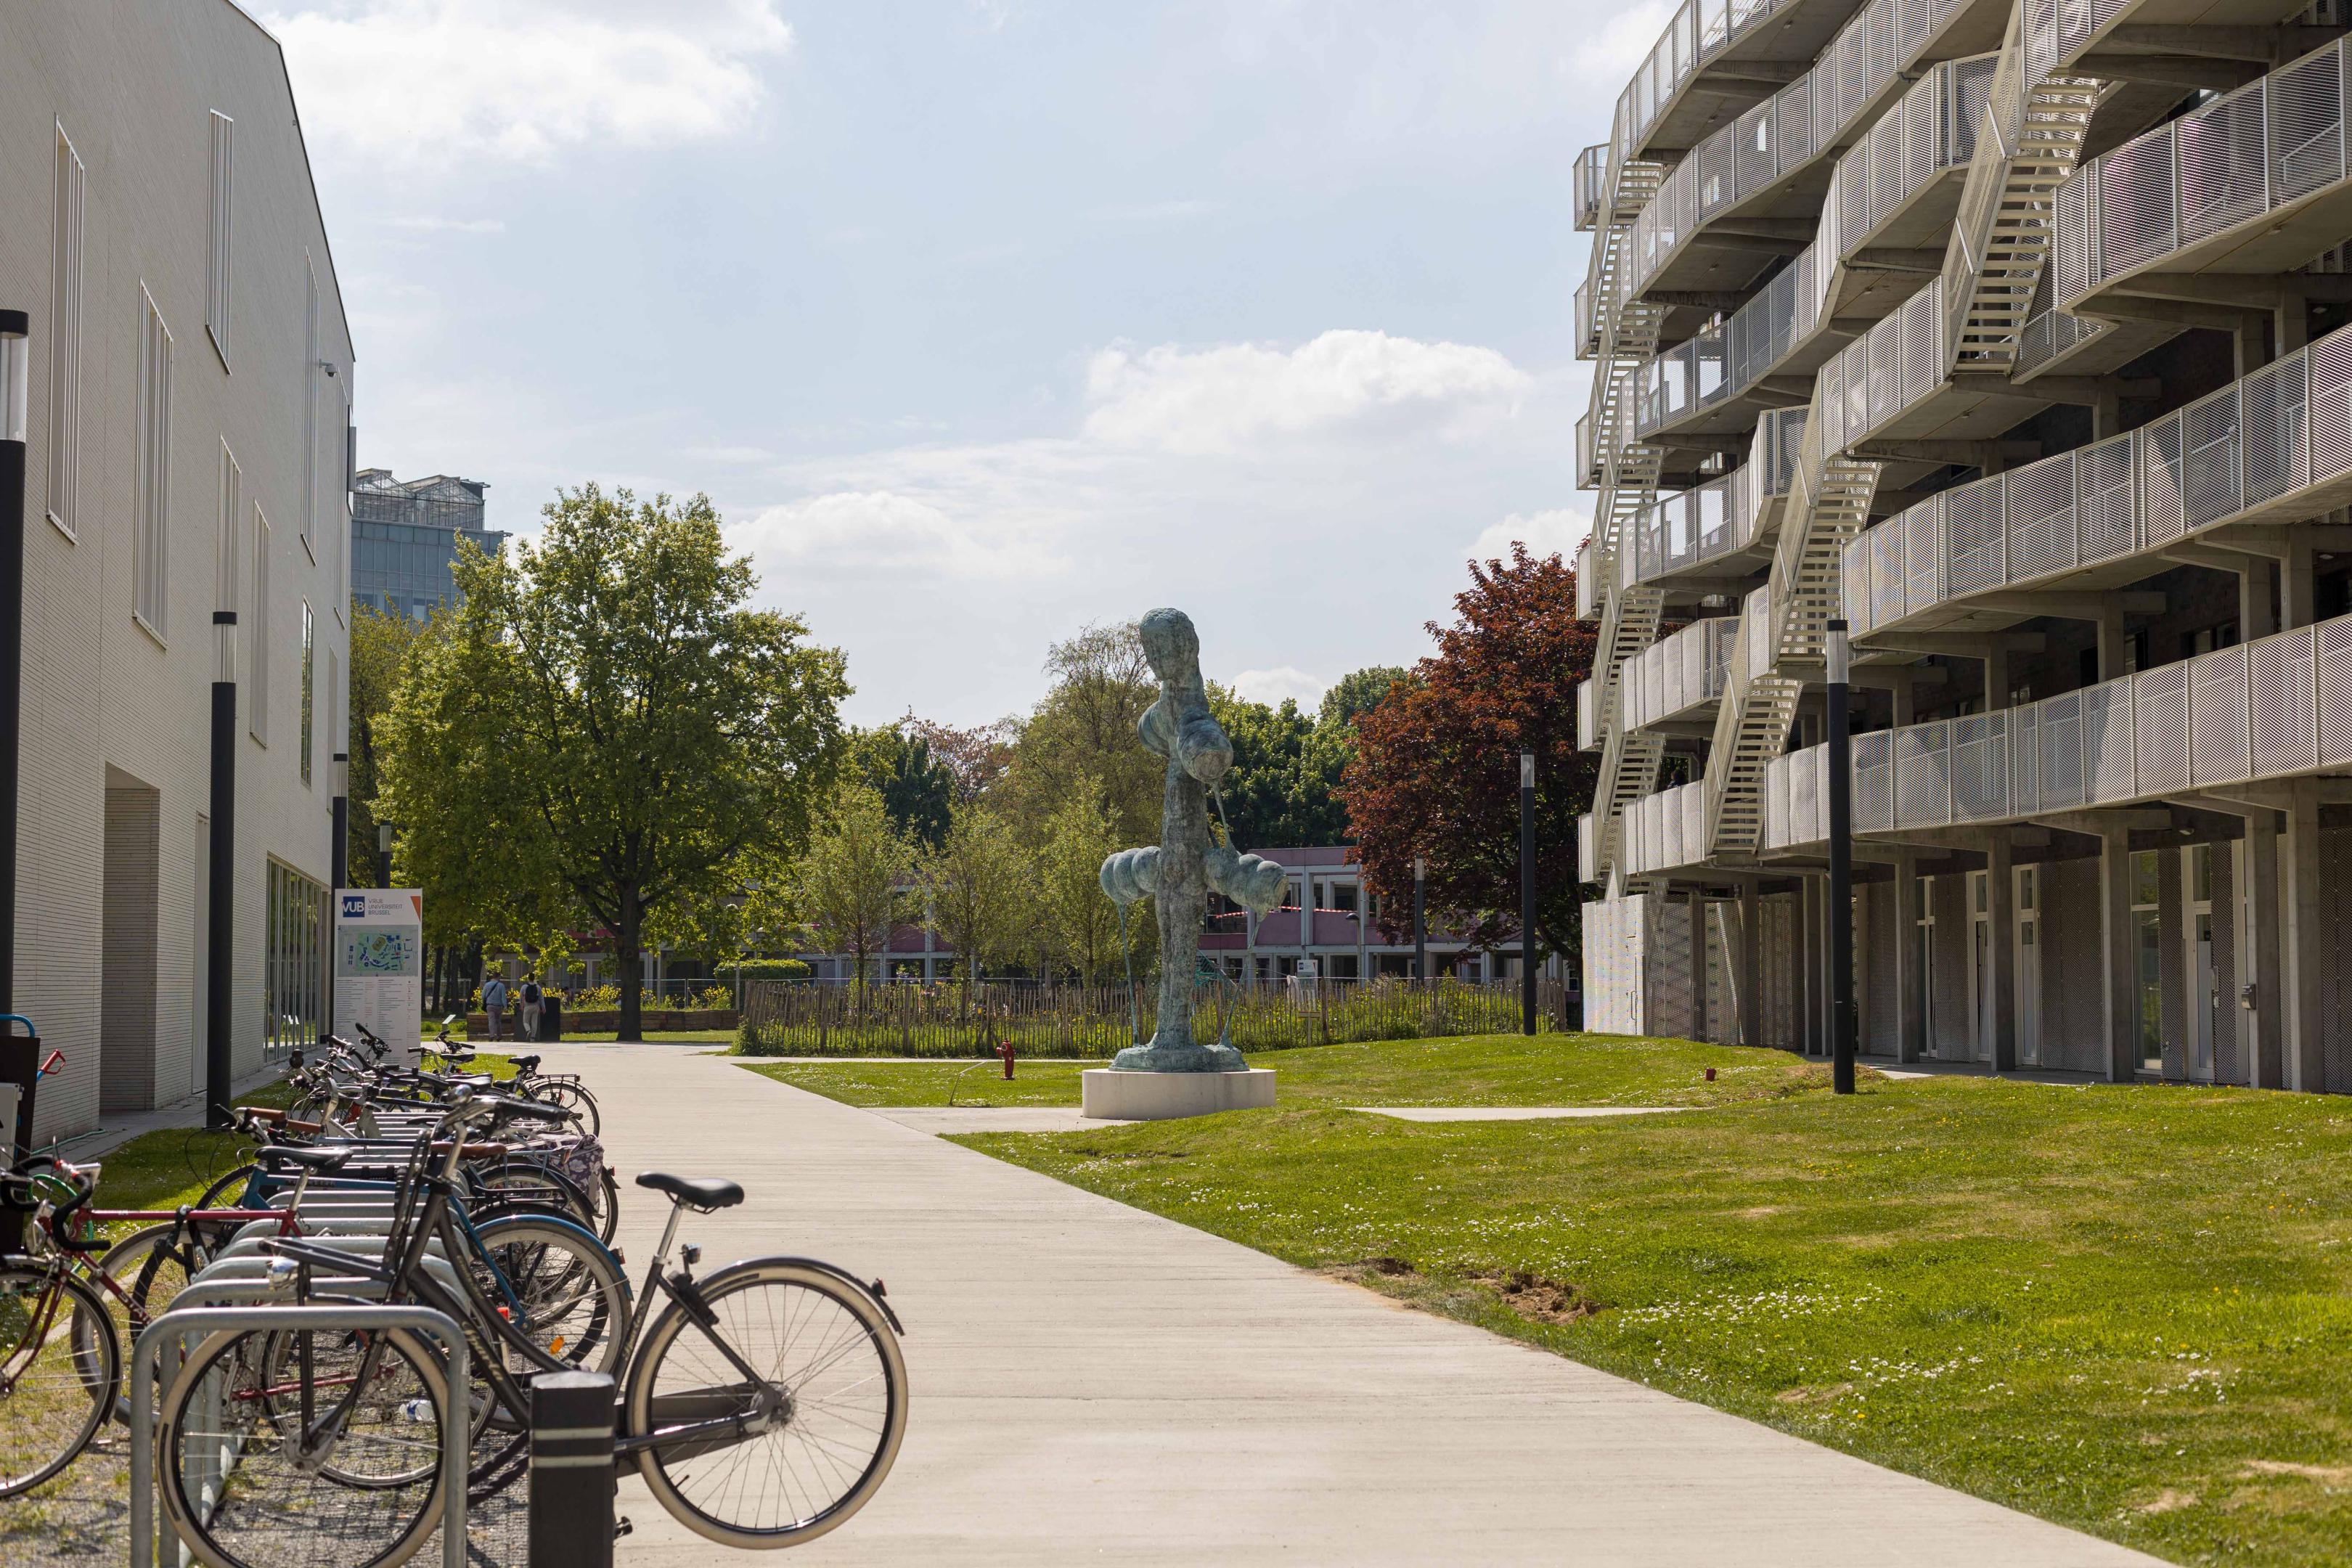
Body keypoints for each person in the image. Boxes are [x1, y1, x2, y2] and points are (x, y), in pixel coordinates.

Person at [481, 973, 509, 1042]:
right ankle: (499, 1036)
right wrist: (505, 1006)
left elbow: (483, 996)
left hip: (490, 1006)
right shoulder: (501, 985)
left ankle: (492, 1035)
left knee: (491, 1021)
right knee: (498, 1021)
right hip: (499, 1006)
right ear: (498, 977)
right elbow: (503, 997)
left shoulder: (487, 985)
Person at [520, 974, 544, 1042]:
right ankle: (532, 1038)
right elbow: (541, 998)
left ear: (528, 978)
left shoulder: (524, 987)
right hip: (536, 1006)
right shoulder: (538, 987)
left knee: (525, 1021)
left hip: (527, 1006)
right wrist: (543, 1007)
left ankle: (528, 1030)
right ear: (534, 978)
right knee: (534, 1022)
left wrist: (521, 1005)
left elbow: (521, 997)